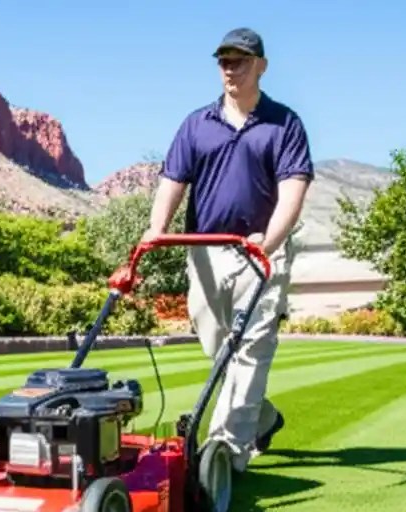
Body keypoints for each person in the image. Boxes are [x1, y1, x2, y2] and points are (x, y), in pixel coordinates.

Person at [140, 27, 313, 474]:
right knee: (218, 346)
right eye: (224, 61)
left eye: (239, 60)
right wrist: (156, 229)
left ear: (261, 66)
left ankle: (225, 455)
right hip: (205, 249)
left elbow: (292, 190)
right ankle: (265, 416)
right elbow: (172, 181)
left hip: (260, 249)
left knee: (251, 347)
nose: (230, 68)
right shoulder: (197, 124)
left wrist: (269, 243)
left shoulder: (285, 123)